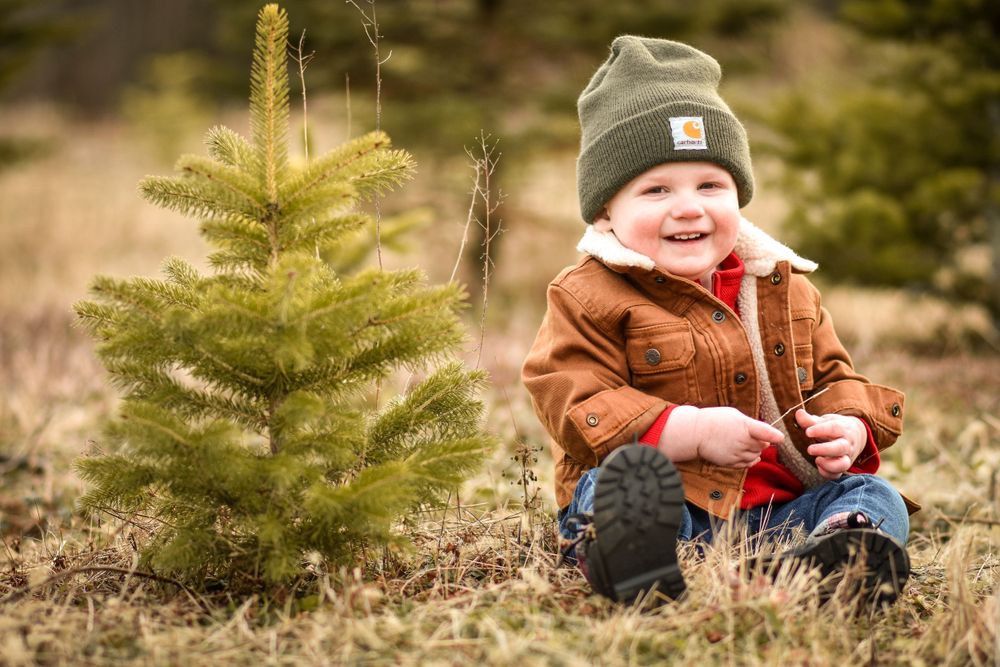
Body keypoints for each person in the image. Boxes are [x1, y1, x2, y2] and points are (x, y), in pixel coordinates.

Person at [521, 36, 916, 606]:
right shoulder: (590, 293)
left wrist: (850, 427)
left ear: (739, 193)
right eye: (656, 189)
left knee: (874, 493)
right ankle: (631, 555)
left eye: (711, 185)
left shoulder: (783, 287)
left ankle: (838, 552)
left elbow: (835, 379)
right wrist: (691, 432)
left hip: (777, 514)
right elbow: (572, 399)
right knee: (614, 486)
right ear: (608, 208)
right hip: (670, 506)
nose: (688, 207)